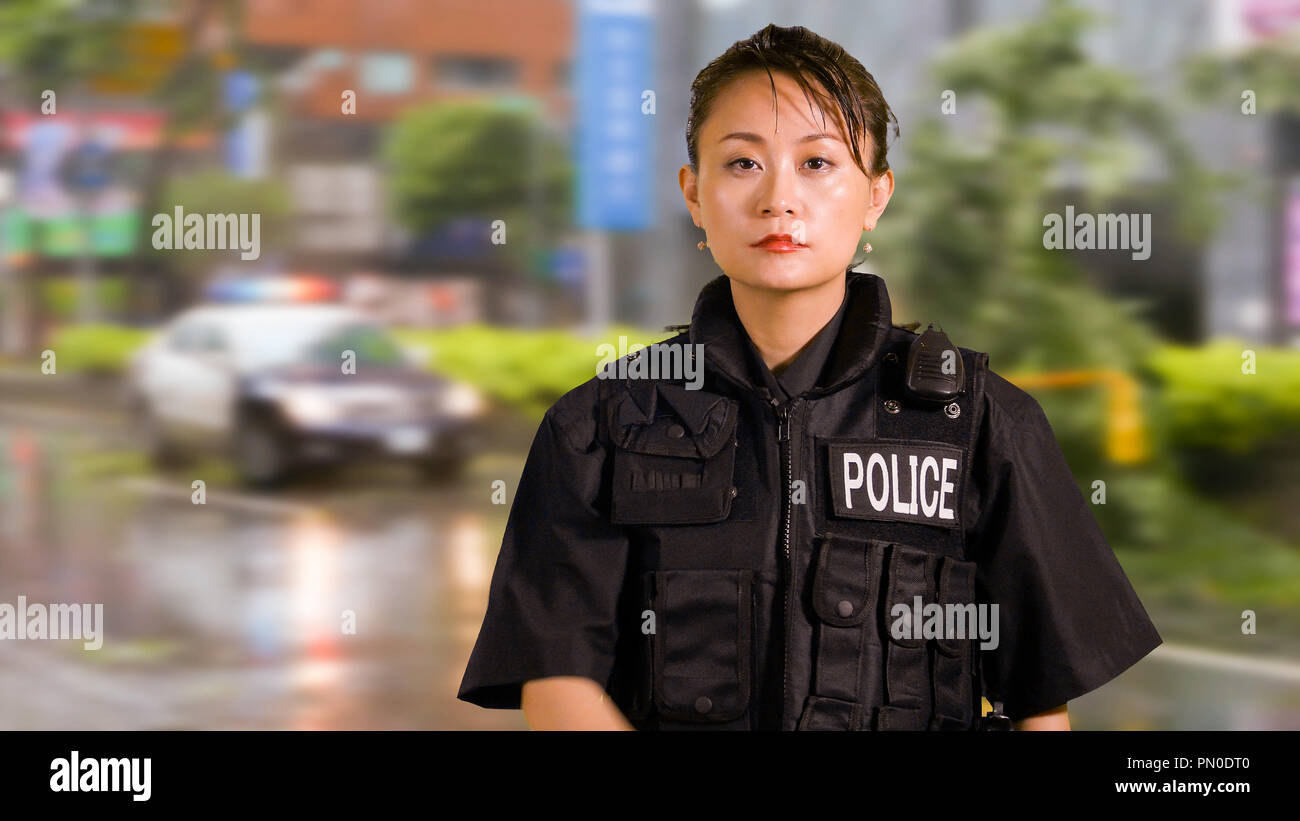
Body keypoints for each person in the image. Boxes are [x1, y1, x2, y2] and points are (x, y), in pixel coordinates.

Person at [457, 23, 1161, 731]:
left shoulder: (980, 424)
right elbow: (556, 682)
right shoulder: (601, 427)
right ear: (693, 194)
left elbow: (1038, 702)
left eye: (818, 163)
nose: (778, 200)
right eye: (742, 164)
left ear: (877, 196)